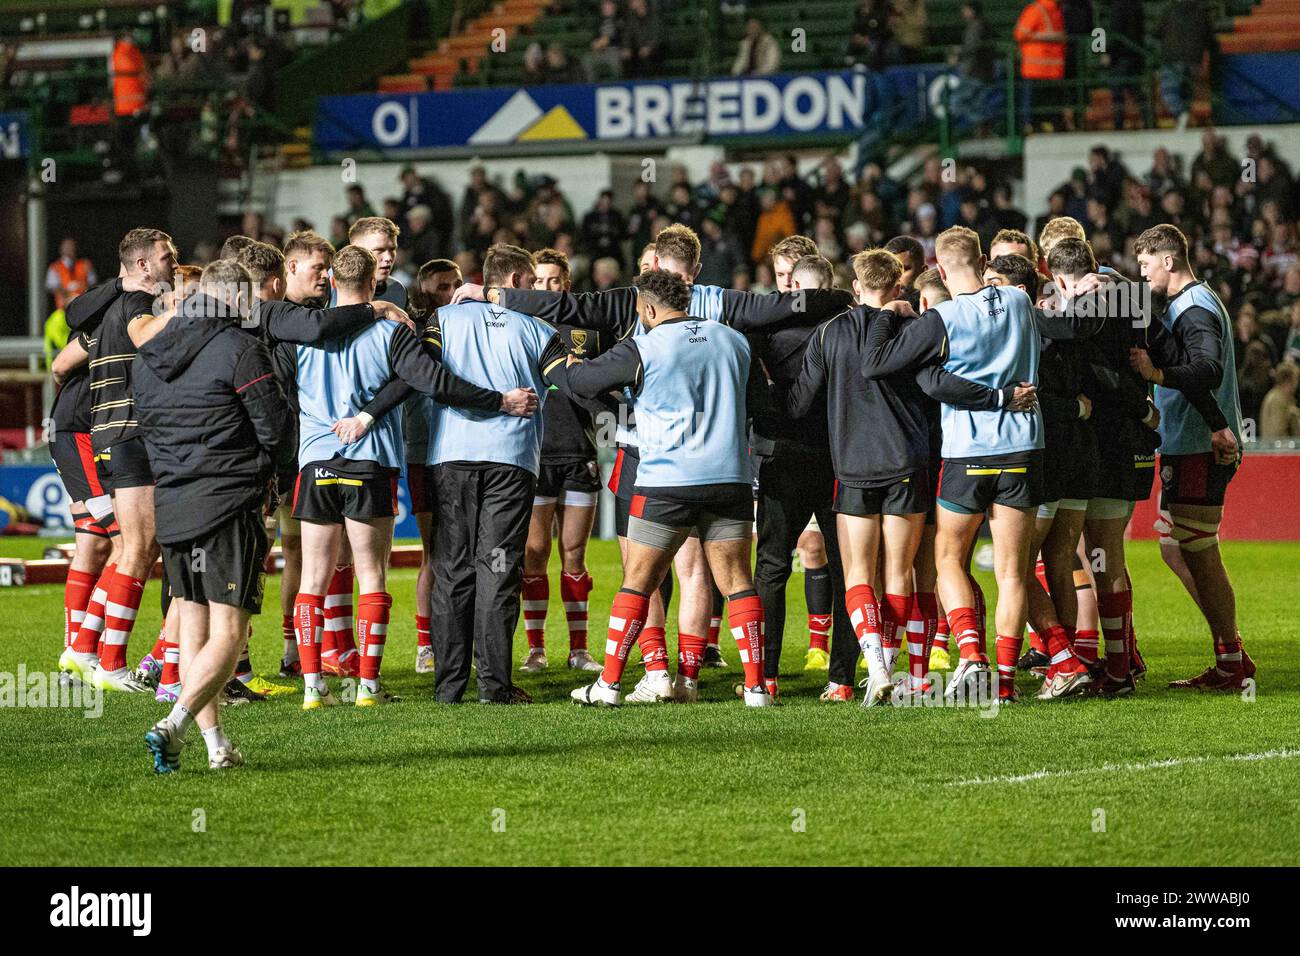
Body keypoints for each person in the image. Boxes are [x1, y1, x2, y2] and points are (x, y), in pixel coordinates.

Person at [293, 245, 536, 710]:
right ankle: (367, 686)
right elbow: (432, 380)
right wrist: (498, 401)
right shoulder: (391, 330)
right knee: (371, 576)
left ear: (334, 282)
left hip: (315, 460)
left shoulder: (301, 333)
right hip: (369, 461)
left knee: (312, 578)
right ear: (373, 286)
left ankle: (312, 687)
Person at [545, 269, 775, 708]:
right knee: (736, 581)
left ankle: (609, 685)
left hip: (666, 481)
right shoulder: (733, 340)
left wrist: (560, 362)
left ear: (648, 308)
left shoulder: (643, 346)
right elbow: (761, 410)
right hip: (729, 478)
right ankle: (756, 688)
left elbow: (580, 384)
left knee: (639, 580)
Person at [860, 226, 1045, 704]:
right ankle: (1004, 683)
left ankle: (971, 655)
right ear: (984, 260)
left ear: (939, 270)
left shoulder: (943, 316)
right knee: (1012, 572)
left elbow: (877, 363)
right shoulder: (1022, 303)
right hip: (1023, 449)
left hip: (967, 453)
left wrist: (887, 313)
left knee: (947, 558)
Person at [133, 259, 294, 772]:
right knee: (229, 631)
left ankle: (216, 746)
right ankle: (173, 724)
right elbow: (277, 429)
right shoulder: (241, 349)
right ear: (237, 299)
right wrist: (267, 475)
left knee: (194, 627)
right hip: (228, 503)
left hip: (174, 504)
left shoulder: (149, 355)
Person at [421, 244, 553, 704]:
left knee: (453, 569)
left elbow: (425, 372)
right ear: (516, 281)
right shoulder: (538, 327)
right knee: (498, 569)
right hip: (511, 459)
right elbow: (571, 379)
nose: (537, 290)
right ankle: (494, 687)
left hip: (451, 455)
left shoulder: (443, 320)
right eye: (533, 282)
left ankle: (448, 687)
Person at [1129, 223, 1252, 691]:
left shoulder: (1193, 307)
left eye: (1145, 266)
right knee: (1173, 544)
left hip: (1199, 443)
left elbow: (1207, 367)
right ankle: (1231, 651)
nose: (1142, 276)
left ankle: (1229, 659)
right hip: (1189, 439)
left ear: (1168, 261)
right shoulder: (1192, 302)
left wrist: (1157, 372)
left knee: (1199, 549)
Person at [70, 230, 178, 692]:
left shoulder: (101, 310)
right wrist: (184, 314)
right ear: (142, 265)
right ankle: (111, 664)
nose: (173, 263)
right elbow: (142, 334)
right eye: (166, 257)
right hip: (130, 433)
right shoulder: (140, 303)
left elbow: (62, 360)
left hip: (111, 433)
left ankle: (84, 648)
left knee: (134, 548)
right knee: (138, 549)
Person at [520, 249, 604, 674]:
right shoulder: (520, 328)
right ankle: (536, 649)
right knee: (534, 552)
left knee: (574, 553)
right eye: (539, 281)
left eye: (554, 281)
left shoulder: (587, 333)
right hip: (534, 454)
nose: (546, 287)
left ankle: (579, 649)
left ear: (566, 286)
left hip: (580, 452)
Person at [1156, 0, 1214, 131]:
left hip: (1173, 57)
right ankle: (1182, 123)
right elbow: (1210, 37)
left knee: (1168, 92)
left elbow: (1157, 31)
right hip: (1194, 59)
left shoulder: (1170, 9)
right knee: (1186, 94)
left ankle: (1180, 114)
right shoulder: (1202, 11)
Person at [1012, 0, 1065, 131]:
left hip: (1052, 69)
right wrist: (1046, 36)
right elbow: (1019, 34)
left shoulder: (1057, 11)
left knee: (1049, 103)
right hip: (1036, 68)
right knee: (1033, 103)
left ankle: (1047, 124)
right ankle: (1029, 125)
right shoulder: (1036, 10)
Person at [46, 238, 97, 311]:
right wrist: (69, 295)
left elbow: (93, 284)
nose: (70, 250)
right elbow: (52, 287)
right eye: (67, 247)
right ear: (61, 249)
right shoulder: (55, 267)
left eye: (71, 247)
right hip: (63, 309)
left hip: (84, 307)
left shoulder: (85, 264)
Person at [1259, 361, 1300, 439]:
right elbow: (1277, 433)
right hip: (1279, 450)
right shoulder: (1277, 400)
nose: (1296, 385)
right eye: (1295, 380)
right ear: (1288, 380)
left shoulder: (1284, 398)